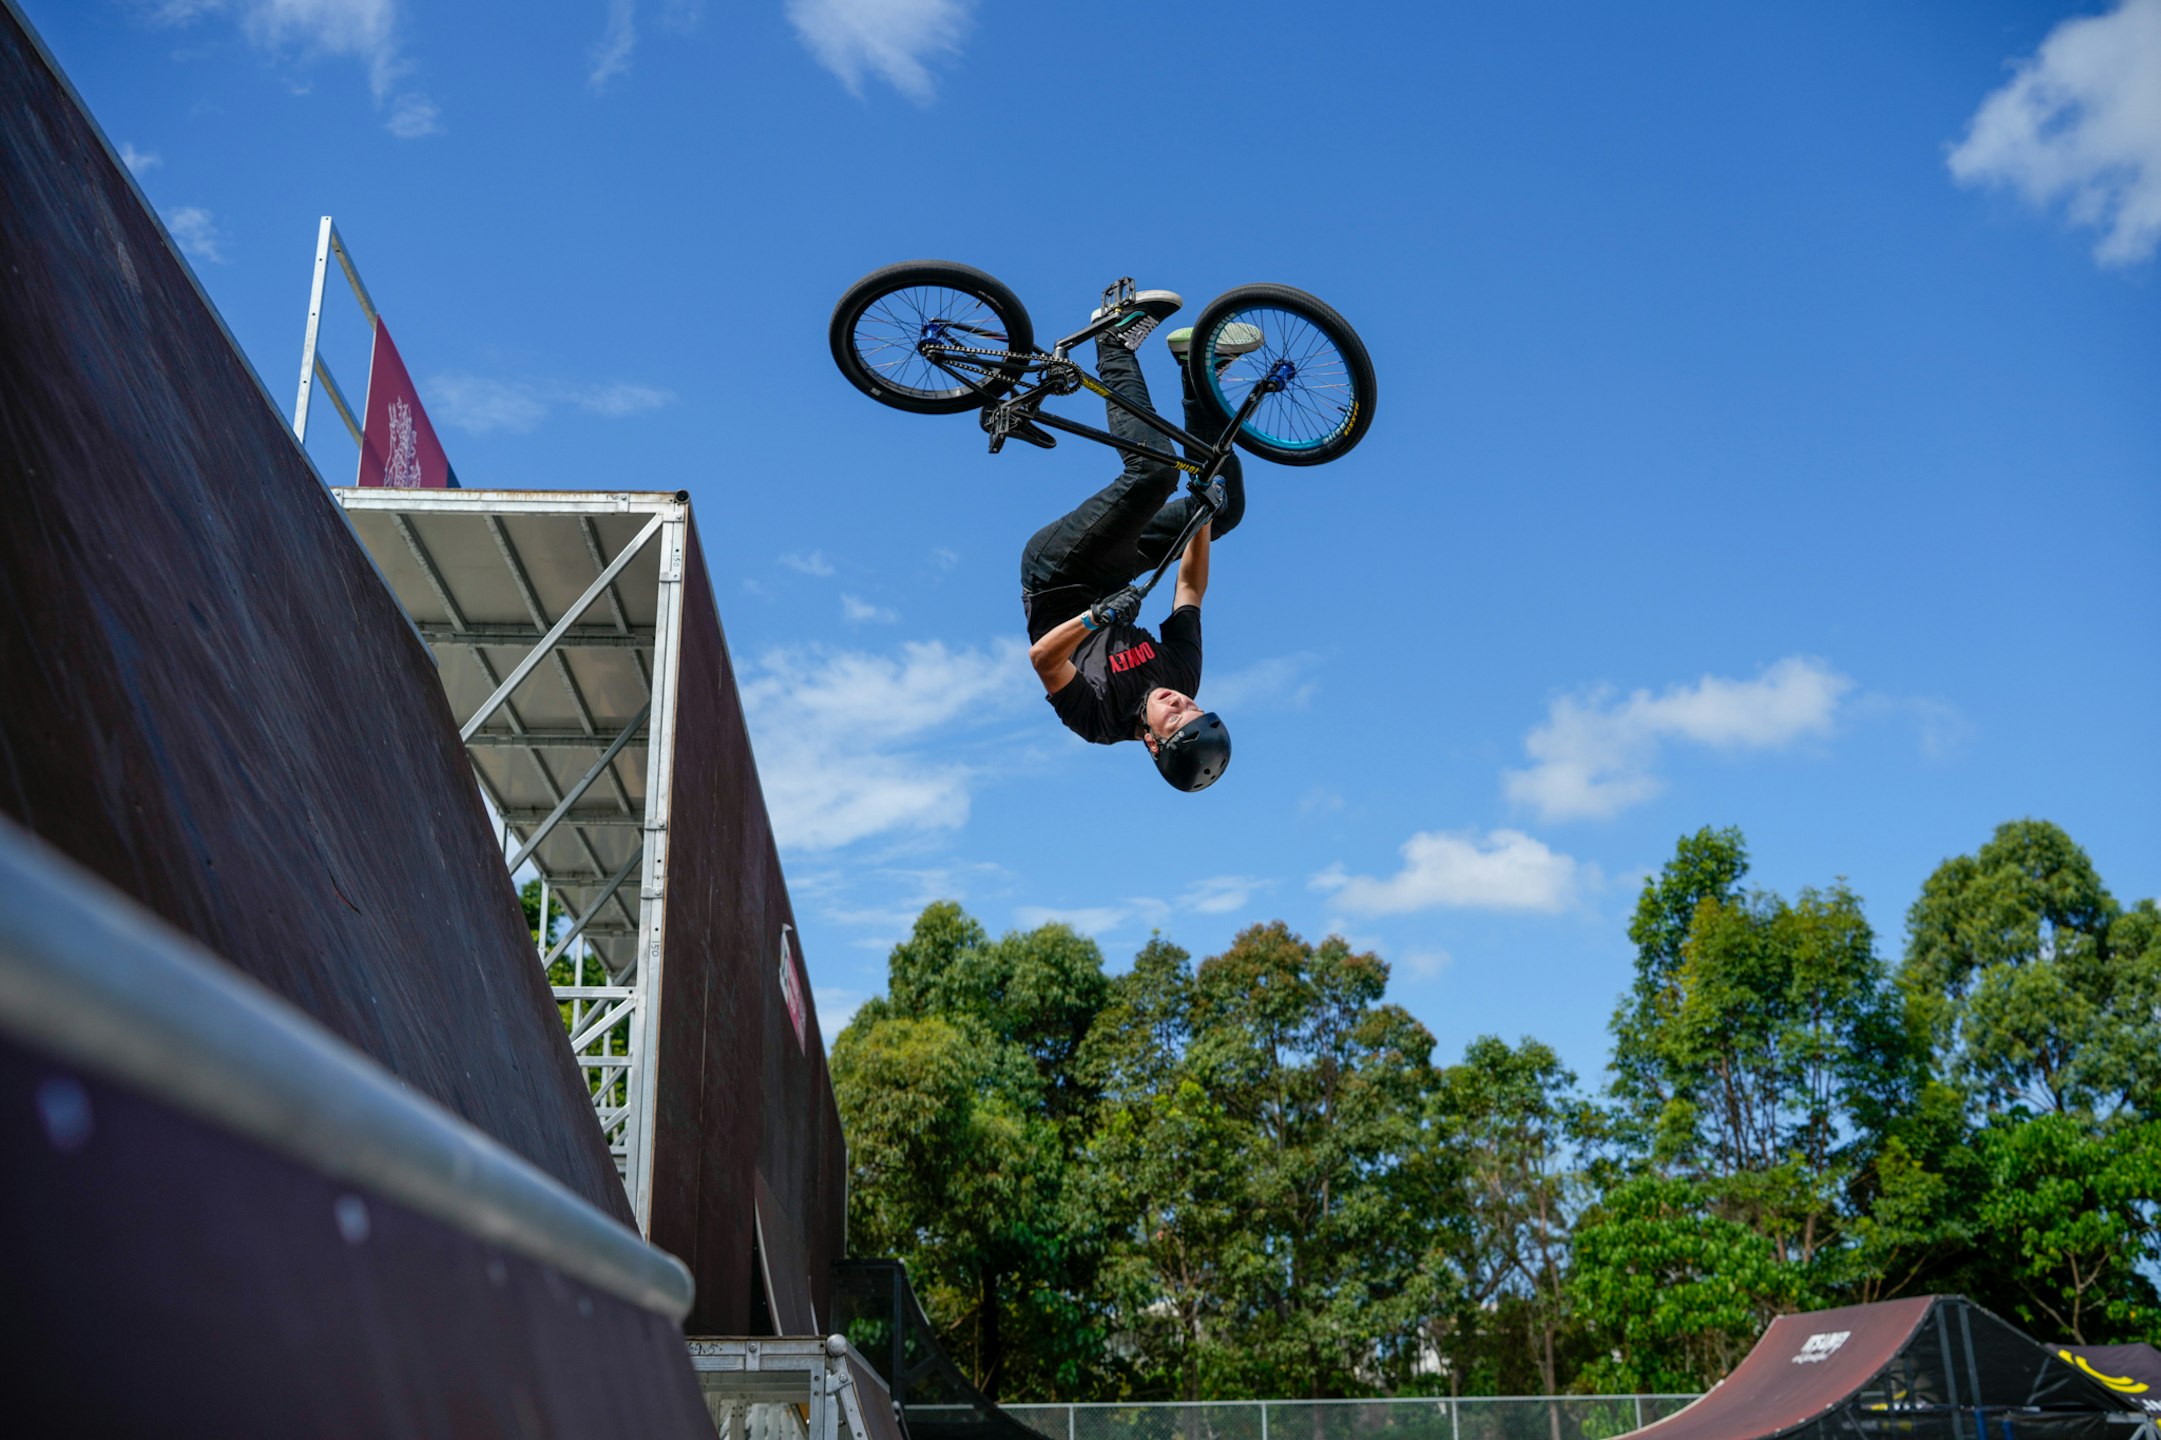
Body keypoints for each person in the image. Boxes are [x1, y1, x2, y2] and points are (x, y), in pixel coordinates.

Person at [1019, 288, 1255, 792]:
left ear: (1153, 741)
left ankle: (1112, 340)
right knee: (1224, 506)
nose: (1182, 702)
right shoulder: (1183, 676)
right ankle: (1198, 368)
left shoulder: (1098, 720)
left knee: (1152, 473)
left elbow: (1043, 659)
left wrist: (1095, 618)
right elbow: (1189, 590)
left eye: (1177, 718)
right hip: (1117, 568)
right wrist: (1202, 517)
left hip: (1058, 575)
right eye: (1194, 708)